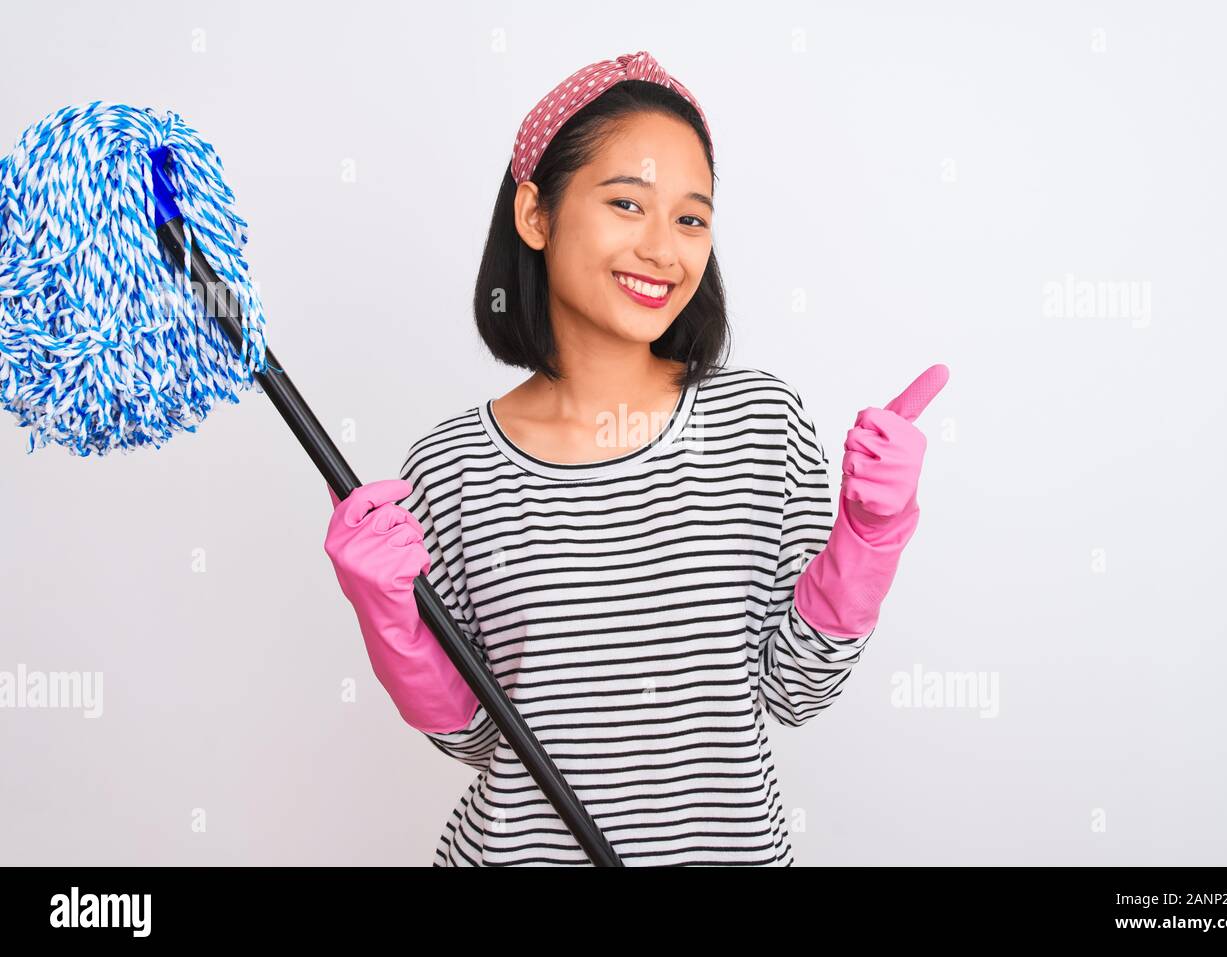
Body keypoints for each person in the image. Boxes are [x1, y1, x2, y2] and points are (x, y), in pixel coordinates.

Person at [324, 51, 947, 866]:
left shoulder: (759, 424)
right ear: (535, 214)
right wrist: (390, 618)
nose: (664, 248)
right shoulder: (449, 467)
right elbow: (476, 739)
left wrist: (870, 532)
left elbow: (796, 688)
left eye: (692, 218)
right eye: (627, 203)